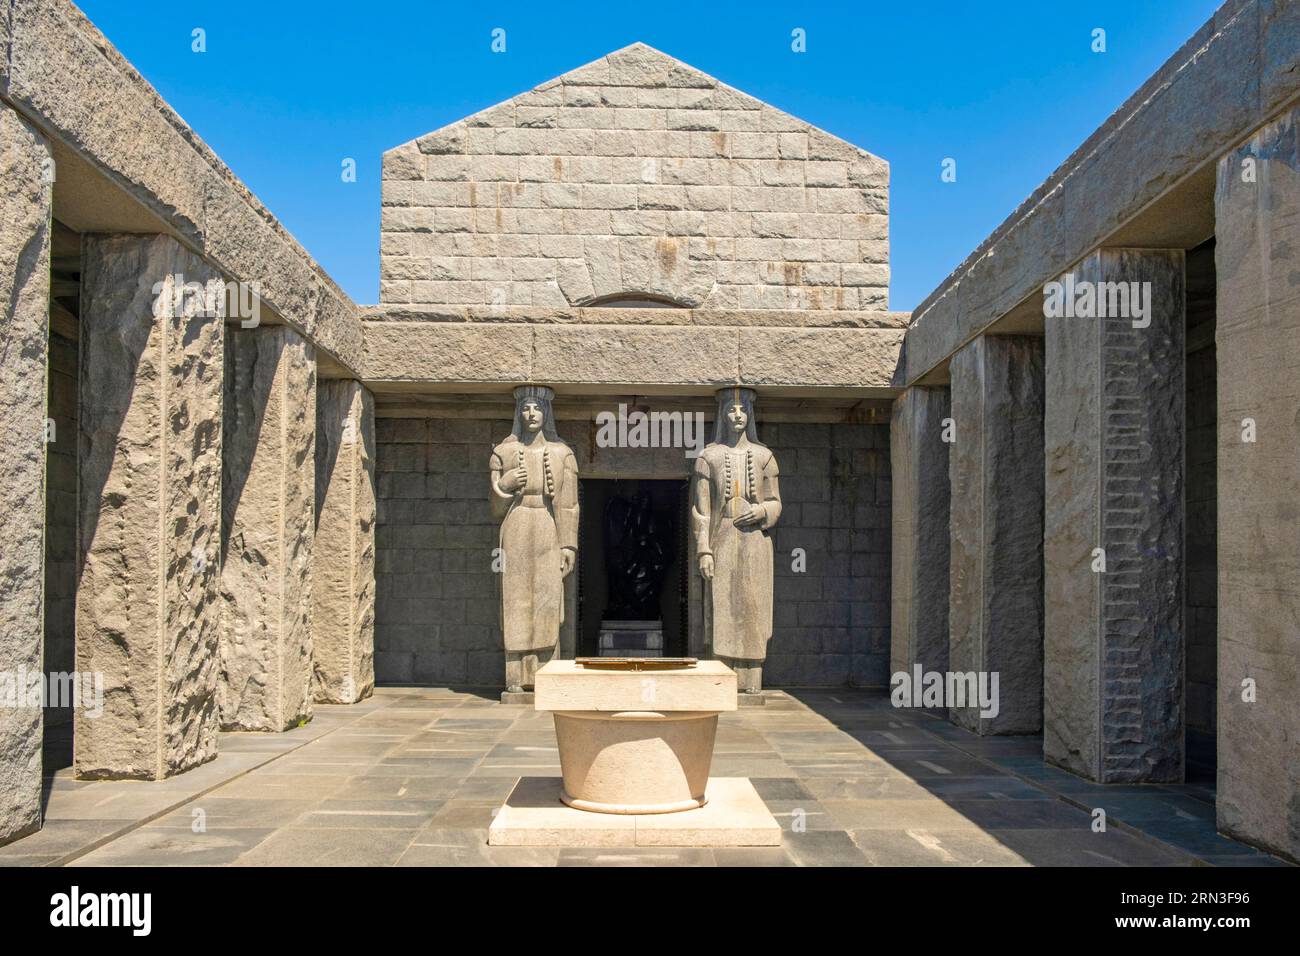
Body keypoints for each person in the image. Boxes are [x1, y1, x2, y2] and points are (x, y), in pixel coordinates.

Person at [489, 385, 578, 692]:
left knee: (547, 598)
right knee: (514, 598)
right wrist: (504, 484)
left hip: (547, 525)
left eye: (537, 408)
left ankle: (545, 673)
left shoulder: (562, 453)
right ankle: (515, 676)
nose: (531, 414)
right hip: (515, 526)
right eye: (525, 408)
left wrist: (568, 544)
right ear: (518, 413)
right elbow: (495, 507)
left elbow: (568, 503)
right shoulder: (503, 453)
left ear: (546, 413)